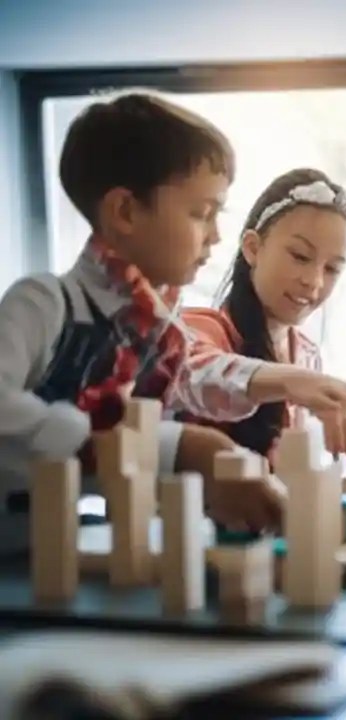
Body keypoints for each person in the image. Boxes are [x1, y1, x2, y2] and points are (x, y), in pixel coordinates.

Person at [0, 92, 283, 553]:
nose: (215, 235)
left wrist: (285, 383)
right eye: (201, 213)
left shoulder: (157, 329)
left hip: (87, 561)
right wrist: (162, 447)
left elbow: (198, 377)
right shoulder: (43, 304)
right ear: (125, 212)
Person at [180, 168, 346, 461]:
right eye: (300, 257)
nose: (314, 281)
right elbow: (189, 370)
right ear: (253, 248)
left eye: (332, 269)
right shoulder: (203, 329)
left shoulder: (307, 355)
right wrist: (292, 381)